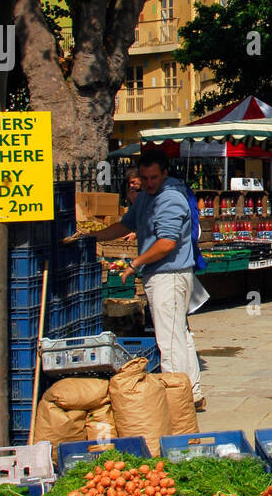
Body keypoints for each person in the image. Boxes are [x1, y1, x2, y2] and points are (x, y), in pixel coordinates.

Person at [84, 150, 209, 410]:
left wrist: (136, 262)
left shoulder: (170, 199)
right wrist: (93, 237)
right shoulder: (145, 199)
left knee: (169, 341)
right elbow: (126, 225)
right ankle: (192, 394)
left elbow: (166, 243)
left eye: (154, 177)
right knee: (180, 336)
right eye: (145, 178)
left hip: (170, 276)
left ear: (165, 173)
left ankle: (176, 403)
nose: (149, 182)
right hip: (161, 275)